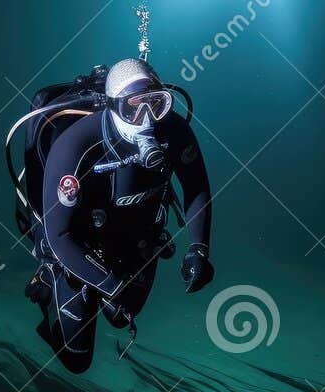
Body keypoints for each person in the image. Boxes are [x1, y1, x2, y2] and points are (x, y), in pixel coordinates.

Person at [15, 58, 213, 372]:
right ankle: (50, 280)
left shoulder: (174, 130)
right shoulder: (75, 145)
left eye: (156, 104)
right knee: (76, 360)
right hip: (79, 243)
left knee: (122, 317)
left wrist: (199, 247)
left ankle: (104, 292)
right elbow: (60, 235)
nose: (147, 119)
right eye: (133, 108)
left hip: (137, 238)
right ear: (112, 107)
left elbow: (196, 186)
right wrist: (112, 285)